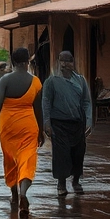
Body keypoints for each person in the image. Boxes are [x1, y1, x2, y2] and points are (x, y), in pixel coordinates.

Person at [0, 46, 45, 208]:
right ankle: (23, 193)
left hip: (8, 127)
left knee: (10, 160)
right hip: (28, 126)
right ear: (27, 62)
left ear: (13, 61)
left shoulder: (5, 80)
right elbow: (38, 109)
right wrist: (41, 130)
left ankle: (14, 195)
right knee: (27, 160)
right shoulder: (35, 82)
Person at [43, 50, 93, 196]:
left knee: (78, 153)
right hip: (59, 123)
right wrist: (46, 122)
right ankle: (61, 183)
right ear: (58, 62)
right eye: (62, 61)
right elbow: (46, 102)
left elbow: (86, 102)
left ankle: (76, 181)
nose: (65, 64)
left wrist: (88, 121)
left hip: (77, 123)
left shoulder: (80, 80)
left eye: (68, 61)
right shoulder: (51, 81)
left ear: (73, 62)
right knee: (61, 154)